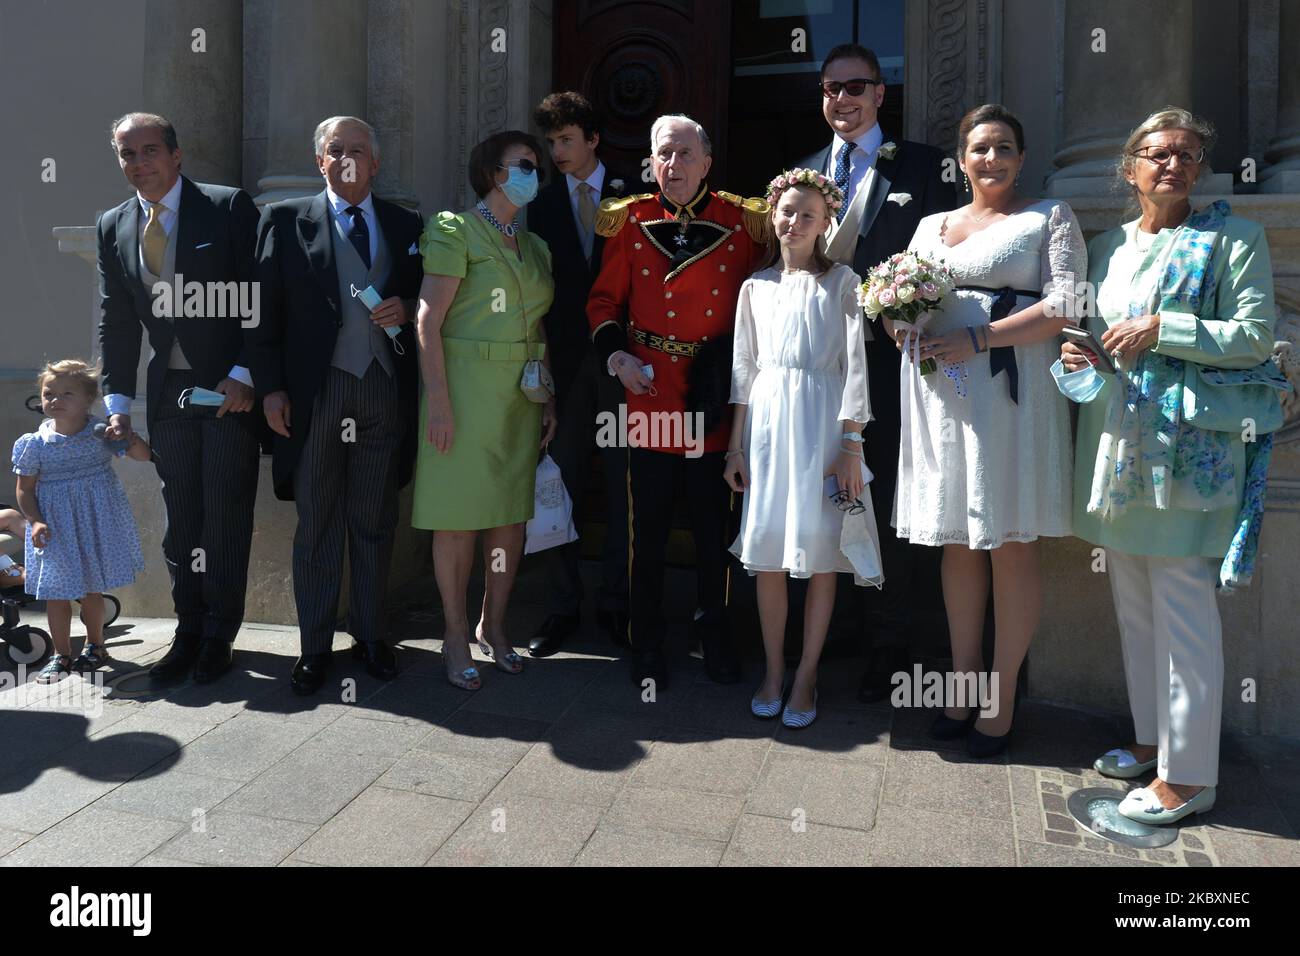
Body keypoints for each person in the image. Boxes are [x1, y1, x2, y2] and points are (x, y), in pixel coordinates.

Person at [1059, 108, 1285, 825]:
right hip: (1115, 453)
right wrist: (1079, 357)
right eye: (1157, 154)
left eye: (1187, 155)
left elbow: (1254, 337)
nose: (1173, 165)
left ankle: (1190, 777)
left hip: (1190, 455)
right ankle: (1153, 740)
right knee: (1133, 604)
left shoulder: (1233, 239)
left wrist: (1166, 326)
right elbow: (1092, 343)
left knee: (1184, 606)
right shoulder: (1104, 249)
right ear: (1130, 169)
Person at [895, 104, 1084, 757]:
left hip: (1011, 396)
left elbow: (1066, 305)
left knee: (1009, 542)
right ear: (962, 157)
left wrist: (979, 335)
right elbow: (898, 297)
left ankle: (1001, 701)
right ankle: (960, 685)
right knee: (960, 541)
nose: (992, 159)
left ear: (1021, 156)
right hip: (942, 398)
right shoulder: (928, 224)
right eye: (980, 148)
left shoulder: (1048, 217)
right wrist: (897, 325)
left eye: (1004, 147)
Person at [797, 43, 958, 703]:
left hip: (895, 369)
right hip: (823, 368)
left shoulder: (924, 165)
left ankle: (890, 640)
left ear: (880, 93)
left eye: (856, 86)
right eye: (832, 88)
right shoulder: (805, 172)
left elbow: (950, 262)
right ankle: (839, 623)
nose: (843, 99)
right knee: (831, 496)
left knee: (890, 501)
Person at [588, 113, 769, 689]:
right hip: (650, 395)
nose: (674, 165)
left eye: (685, 154)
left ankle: (713, 632)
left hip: (712, 399)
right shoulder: (630, 220)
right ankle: (647, 642)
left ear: (708, 163)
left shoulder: (743, 223)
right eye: (664, 154)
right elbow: (602, 304)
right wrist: (617, 358)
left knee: (714, 528)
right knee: (649, 530)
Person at [250, 116, 425, 696]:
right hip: (315, 394)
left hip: (382, 388)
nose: (347, 157)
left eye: (358, 150)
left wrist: (406, 304)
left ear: (375, 164)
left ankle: (372, 636)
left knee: (375, 519)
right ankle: (314, 646)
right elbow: (262, 313)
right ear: (319, 162)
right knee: (318, 522)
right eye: (335, 149)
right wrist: (271, 387)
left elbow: (430, 299)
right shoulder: (282, 219)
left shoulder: (405, 223)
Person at [97, 112, 260, 685]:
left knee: (223, 514)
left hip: (225, 392)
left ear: (176, 154)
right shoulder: (113, 224)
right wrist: (117, 407)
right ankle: (188, 627)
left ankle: (220, 632)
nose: (139, 163)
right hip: (168, 395)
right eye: (127, 154)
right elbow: (116, 321)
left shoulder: (227, 206)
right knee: (182, 518)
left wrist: (244, 373)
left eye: (149, 151)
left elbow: (257, 293)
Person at [724, 169, 880, 729]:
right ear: (772, 213)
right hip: (767, 426)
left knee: (820, 554)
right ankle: (772, 669)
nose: (794, 222)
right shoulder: (754, 287)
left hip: (822, 425)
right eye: (787, 211)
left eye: (808, 215)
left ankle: (808, 673)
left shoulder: (842, 282)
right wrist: (735, 448)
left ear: (825, 224)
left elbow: (855, 368)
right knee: (766, 550)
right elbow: (743, 370)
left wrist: (851, 444)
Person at [415, 131, 557, 690]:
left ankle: (493, 626)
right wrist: (440, 404)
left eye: (535, 167)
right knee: (457, 520)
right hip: (464, 390)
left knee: (508, 519)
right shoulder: (455, 229)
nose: (531, 175)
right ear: (493, 173)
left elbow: (538, 321)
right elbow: (428, 320)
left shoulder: (536, 247)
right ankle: (453, 634)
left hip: (520, 397)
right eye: (522, 165)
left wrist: (552, 397)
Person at [526, 91, 633, 657]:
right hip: (564, 369)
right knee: (557, 486)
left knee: (623, 488)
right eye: (550, 142)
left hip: (624, 367)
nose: (557, 151)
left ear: (593, 138)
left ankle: (619, 604)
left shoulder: (637, 195)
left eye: (566, 139)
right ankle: (561, 606)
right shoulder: (539, 206)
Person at [12, 361, 149, 683]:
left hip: (93, 523)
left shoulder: (101, 433)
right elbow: (25, 490)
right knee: (56, 593)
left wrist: (129, 436)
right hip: (55, 527)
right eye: (49, 394)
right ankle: (61, 654)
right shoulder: (34, 443)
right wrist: (35, 522)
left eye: (66, 393)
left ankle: (96, 645)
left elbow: (143, 456)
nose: (55, 399)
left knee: (90, 588)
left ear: (89, 399)